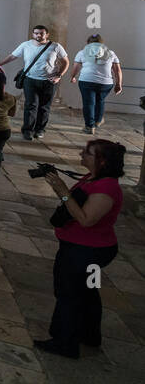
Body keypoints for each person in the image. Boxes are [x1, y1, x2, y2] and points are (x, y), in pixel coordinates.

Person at [34, 140, 127, 358]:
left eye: (88, 152)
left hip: (86, 251)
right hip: (85, 248)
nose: (81, 154)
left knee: (69, 293)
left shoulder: (107, 188)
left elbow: (86, 219)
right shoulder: (93, 178)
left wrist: (62, 191)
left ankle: (64, 342)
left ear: (102, 161)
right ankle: (89, 335)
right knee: (87, 292)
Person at [0, 25, 69, 140]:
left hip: (49, 81)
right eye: (36, 33)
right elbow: (12, 56)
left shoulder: (55, 46)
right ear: (33, 34)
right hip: (30, 80)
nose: (38, 35)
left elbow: (66, 62)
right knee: (30, 105)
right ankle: (27, 130)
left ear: (47, 35)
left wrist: (59, 76)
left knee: (44, 107)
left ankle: (39, 129)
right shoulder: (26, 45)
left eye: (41, 33)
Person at [69, 34, 123, 133]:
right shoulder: (111, 53)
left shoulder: (82, 53)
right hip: (105, 83)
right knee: (100, 101)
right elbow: (117, 70)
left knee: (88, 103)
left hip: (87, 81)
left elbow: (76, 67)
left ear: (88, 43)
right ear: (102, 43)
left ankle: (89, 127)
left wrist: (72, 77)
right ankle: (97, 121)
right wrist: (118, 84)